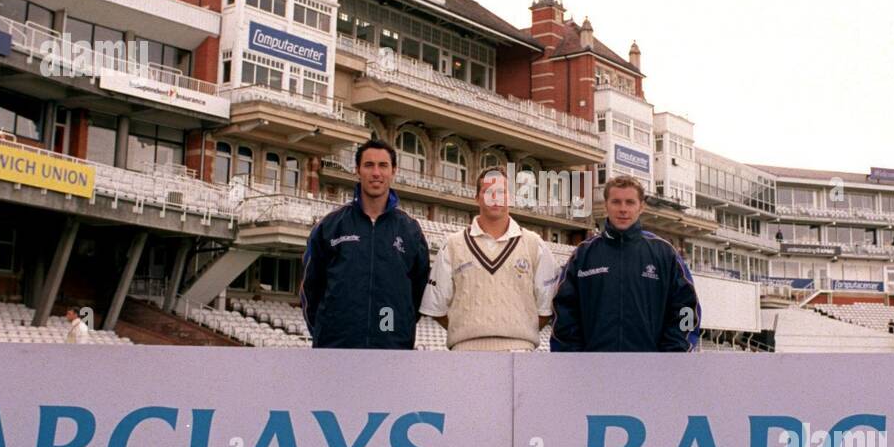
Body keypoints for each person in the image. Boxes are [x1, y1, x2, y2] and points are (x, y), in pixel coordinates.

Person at [300, 139, 430, 349]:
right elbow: (310, 288)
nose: (376, 173)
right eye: (369, 165)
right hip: (336, 349)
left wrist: (396, 328)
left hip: (391, 347)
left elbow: (418, 293)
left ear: (393, 171)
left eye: (383, 165)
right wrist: (328, 330)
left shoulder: (410, 230)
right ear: (357, 170)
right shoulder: (330, 226)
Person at [551, 175, 701, 352]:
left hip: (651, 370)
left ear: (641, 207)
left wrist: (672, 356)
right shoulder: (583, 255)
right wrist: (575, 359)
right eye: (616, 202)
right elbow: (563, 312)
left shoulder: (664, 254)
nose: (623, 209)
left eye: (630, 202)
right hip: (594, 370)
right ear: (606, 205)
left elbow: (687, 309)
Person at [419, 167, 559, 351]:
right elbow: (435, 307)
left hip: (520, 351)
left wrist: (518, 332)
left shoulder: (534, 245)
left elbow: (547, 308)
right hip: (466, 352)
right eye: (488, 192)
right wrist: (468, 331)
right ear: (477, 197)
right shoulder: (452, 245)